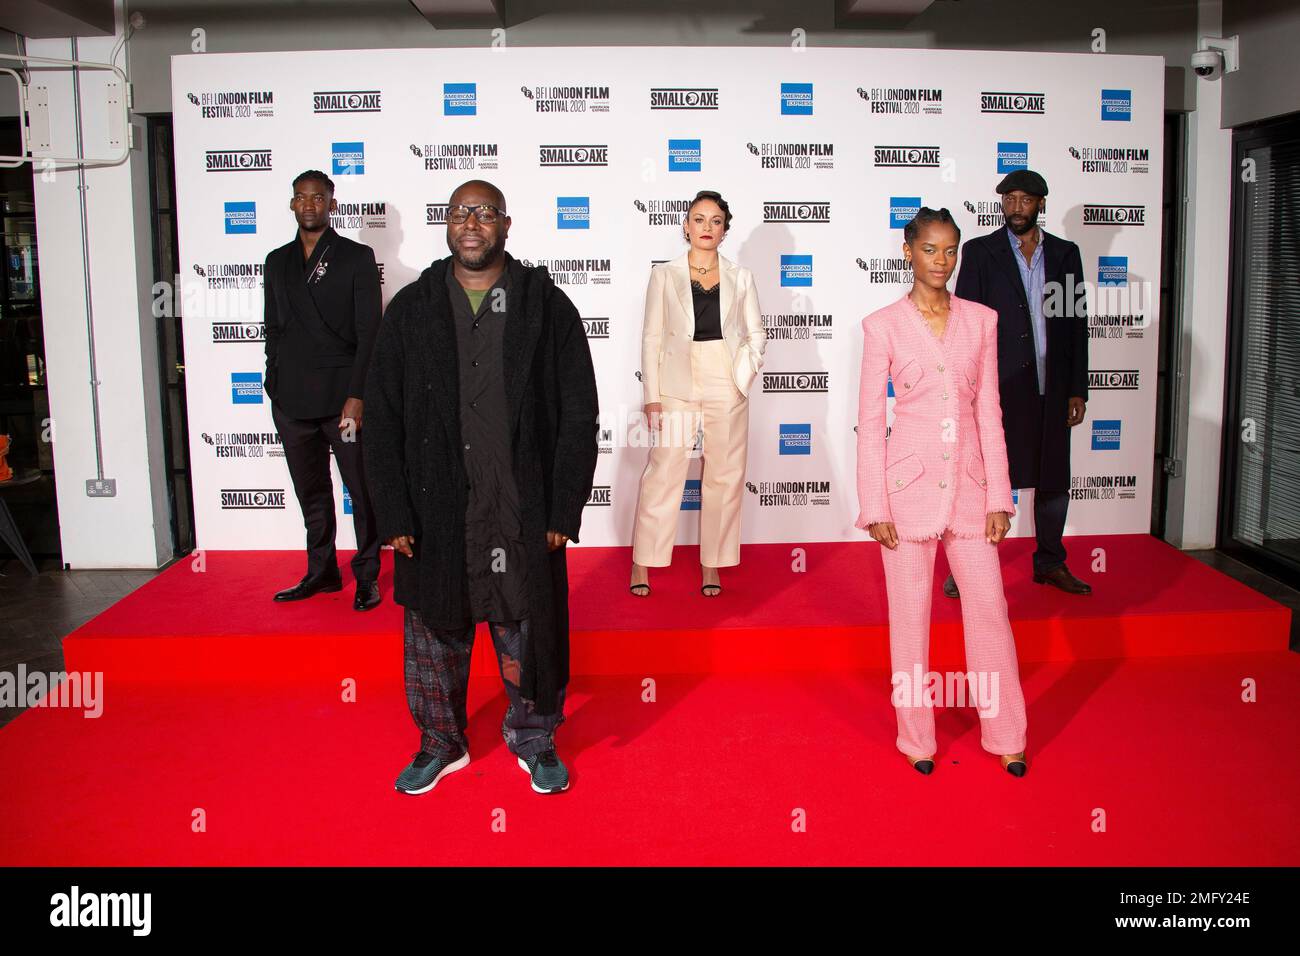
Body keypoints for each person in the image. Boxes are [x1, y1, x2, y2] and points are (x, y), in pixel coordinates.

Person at [363, 180, 599, 795]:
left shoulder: (546, 306)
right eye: (460, 212)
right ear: (447, 223)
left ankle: (534, 737)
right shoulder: (413, 309)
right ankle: (441, 742)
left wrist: (564, 506)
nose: (471, 223)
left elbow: (578, 412)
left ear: (506, 224)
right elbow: (381, 417)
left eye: (485, 212)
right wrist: (394, 512)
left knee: (526, 624)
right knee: (434, 629)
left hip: (521, 503)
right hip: (435, 504)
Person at [856, 207, 1028, 776]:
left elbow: (989, 413)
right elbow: (870, 422)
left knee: (990, 610)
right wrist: (874, 505)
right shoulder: (882, 325)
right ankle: (916, 739)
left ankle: (1006, 733)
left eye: (951, 250)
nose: (942, 261)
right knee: (909, 619)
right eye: (930, 250)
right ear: (908, 252)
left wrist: (1000, 496)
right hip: (905, 491)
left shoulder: (982, 321)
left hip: (973, 489)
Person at [943, 168, 1091, 598]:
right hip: (999, 387)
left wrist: (1077, 388)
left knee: (1053, 479)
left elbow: (1076, 323)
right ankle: (967, 565)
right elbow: (965, 323)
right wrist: (968, 389)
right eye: (1009, 200)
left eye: (1025, 200)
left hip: (1053, 386)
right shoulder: (980, 252)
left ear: (1041, 204)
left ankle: (1050, 562)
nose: (1016, 208)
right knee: (986, 478)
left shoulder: (1065, 254)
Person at [629, 190, 766, 597]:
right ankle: (643, 560)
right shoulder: (664, 275)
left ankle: (713, 563)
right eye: (699, 219)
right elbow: (651, 337)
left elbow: (756, 333)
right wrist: (652, 395)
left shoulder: (741, 277)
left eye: (715, 221)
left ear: (725, 230)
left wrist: (741, 376)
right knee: (664, 471)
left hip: (725, 377)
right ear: (686, 226)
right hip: (676, 381)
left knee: (724, 474)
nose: (707, 227)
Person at [263, 169, 383, 611]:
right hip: (291, 399)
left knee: (362, 490)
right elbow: (273, 327)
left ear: (332, 204)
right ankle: (322, 571)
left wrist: (358, 395)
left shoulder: (356, 256)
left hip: (342, 399)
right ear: (292, 204)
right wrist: (272, 380)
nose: (309, 204)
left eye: (318, 197)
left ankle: (367, 575)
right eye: (301, 197)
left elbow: (370, 331)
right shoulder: (277, 261)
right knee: (310, 492)